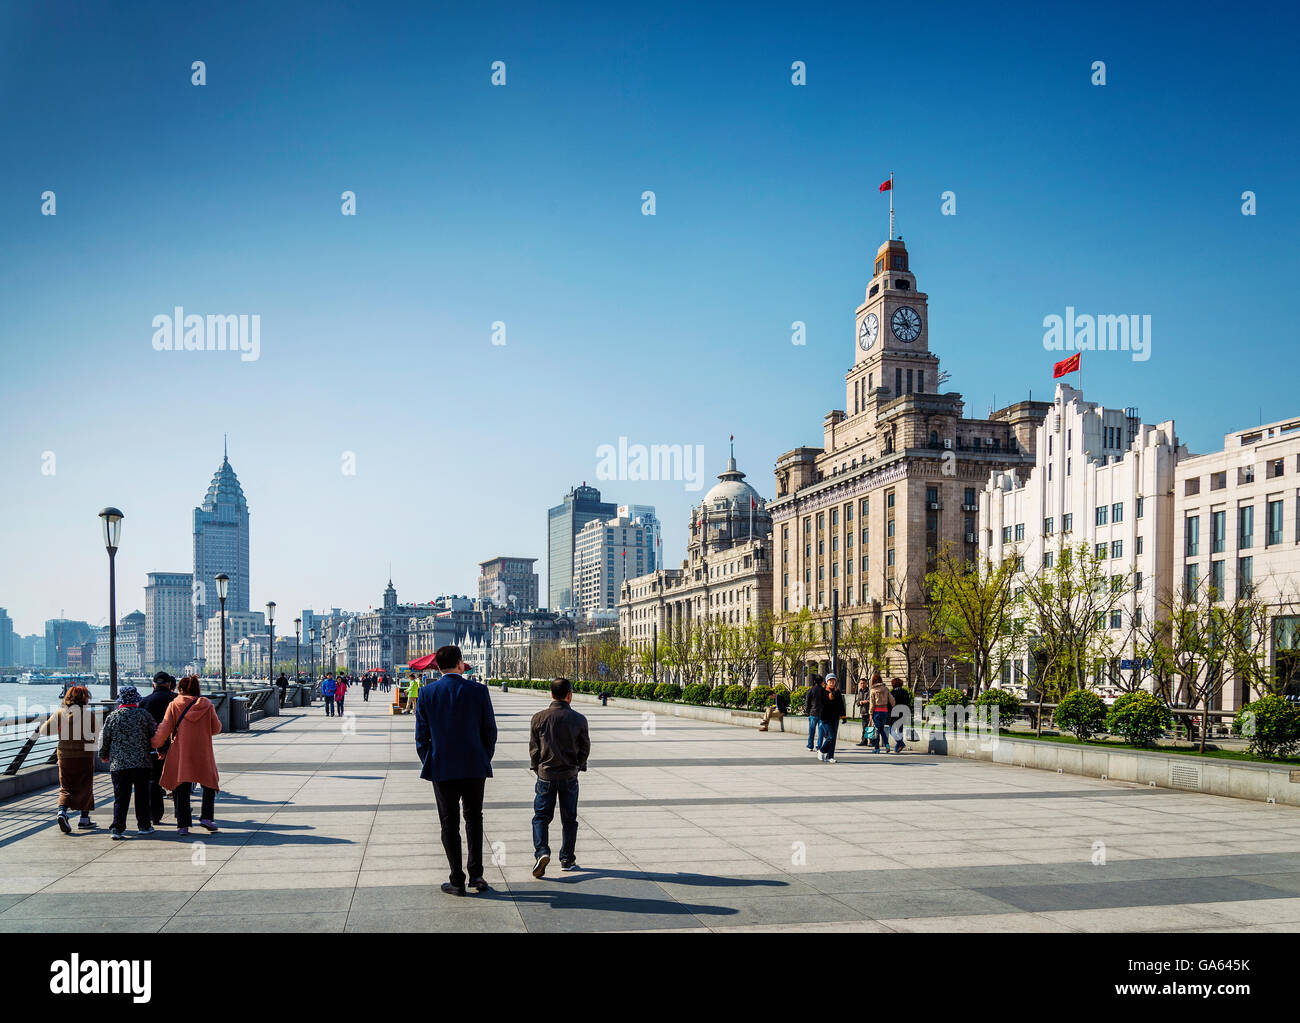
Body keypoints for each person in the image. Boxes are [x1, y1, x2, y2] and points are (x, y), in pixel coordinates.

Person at [415, 645, 497, 897]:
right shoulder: (478, 691)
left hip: (442, 767)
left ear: (438, 667)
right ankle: (476, 875)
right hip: (474, 766)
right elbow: (490, 731)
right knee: (474, 819)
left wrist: (430, 760)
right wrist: (483, 757)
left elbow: (421, 738)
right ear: (461, 664)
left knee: (449, 823)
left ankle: (457, 880)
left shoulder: (427, 693)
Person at [529, 677, 590, 877]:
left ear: (551, 694)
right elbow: (585, 747)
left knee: (540, 817)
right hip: (569, 775)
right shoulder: (579, 719)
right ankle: (567, 859)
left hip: (546, 775)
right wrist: (579, 765)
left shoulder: (538, 718)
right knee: (569, 818)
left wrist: (537, 767)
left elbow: (534, 749)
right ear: (569, 695)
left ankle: (542, 852)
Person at [151, 675, 222, 836]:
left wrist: (154, 743)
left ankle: (183, 825)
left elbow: (164, 728)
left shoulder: (174, 704)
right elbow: (216, 728)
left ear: (181, 689)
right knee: (209, 784)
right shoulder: (206, 704)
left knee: (181, 786)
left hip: (181, 751)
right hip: (203, 751)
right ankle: (207, 818)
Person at [98, 686, 158, 840]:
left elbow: (105, 738)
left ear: (121, 701)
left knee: (120, 797)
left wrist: (103, 755)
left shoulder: (113, 716)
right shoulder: (144, 715)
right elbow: (155, 734)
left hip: (119, 764)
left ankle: (117, 828)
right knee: (142, 795)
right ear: (136, 699)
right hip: (141, 763)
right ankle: (144, 826)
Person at [40, 685, 98, 833]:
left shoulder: (60, 713)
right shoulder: (88, 715)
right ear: (84, 698)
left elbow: (44, 731)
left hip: (65, 755)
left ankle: (62, 812)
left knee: (66, 787)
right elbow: (96, 734)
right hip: (84, 755)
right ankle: (84, 819)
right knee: (85, 785)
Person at [141, 672, 177, 825]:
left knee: (154, 781)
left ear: (153, 684)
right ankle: (181, 811)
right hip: (175, 746)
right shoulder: (177, 700)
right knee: (178, 780)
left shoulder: (145, 702)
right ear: (169, 684)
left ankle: (155, 815)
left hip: (152, 747)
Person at [818, 677, 847, 763]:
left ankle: (830, 756)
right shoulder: (823, 691)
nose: (832, 682)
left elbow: (840, 704)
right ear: (827, 682)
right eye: (830, 681)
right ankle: (822, 750)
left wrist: (843, 716)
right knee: (830, 737)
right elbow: (824, 701)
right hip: (825, 718)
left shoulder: (837, 692)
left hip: (835, 718)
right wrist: (831, 695)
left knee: (833, 738)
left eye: (833, 680)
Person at [869, 672, 896, 753]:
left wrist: (870, 713)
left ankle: (878, 747)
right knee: (881, 729)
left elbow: (872, 703)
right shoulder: (886, 689)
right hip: (884, 711)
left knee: (878, 730)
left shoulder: (873, 690)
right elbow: (892, 700)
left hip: (876, 712)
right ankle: (884, 746)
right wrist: (893, 706)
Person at [889, 678, 913, 753]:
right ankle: (897, 748)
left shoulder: (892, 692)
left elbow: (890, 704)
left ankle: (901, 743)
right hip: (903, 712)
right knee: (900, 731)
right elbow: (908, 702)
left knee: (891, 730)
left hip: (894, 713)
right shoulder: (905, 692)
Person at [803, 674, 825, 751]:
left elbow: (807, 702)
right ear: (821, 682)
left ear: (814, 681)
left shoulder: (810, 690)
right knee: (821, 731)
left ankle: (810, 745)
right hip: (822, 713)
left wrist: (807, 711)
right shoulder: (823, 691)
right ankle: (819, 746)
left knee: (811, 730)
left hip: (813, 712)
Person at [855, 677, 872, 745]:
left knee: (870, 727)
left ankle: (871, 742)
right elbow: (857, 702)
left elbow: (871, 700)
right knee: (864, 727)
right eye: (861, 683)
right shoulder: (859, 691)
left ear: (866, 684)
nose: (862, 684)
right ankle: (864, 741)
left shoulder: (869, 691)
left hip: (869, 712)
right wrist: (860, 702)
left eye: (863, 683)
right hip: (863, 712)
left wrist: (866, 701)